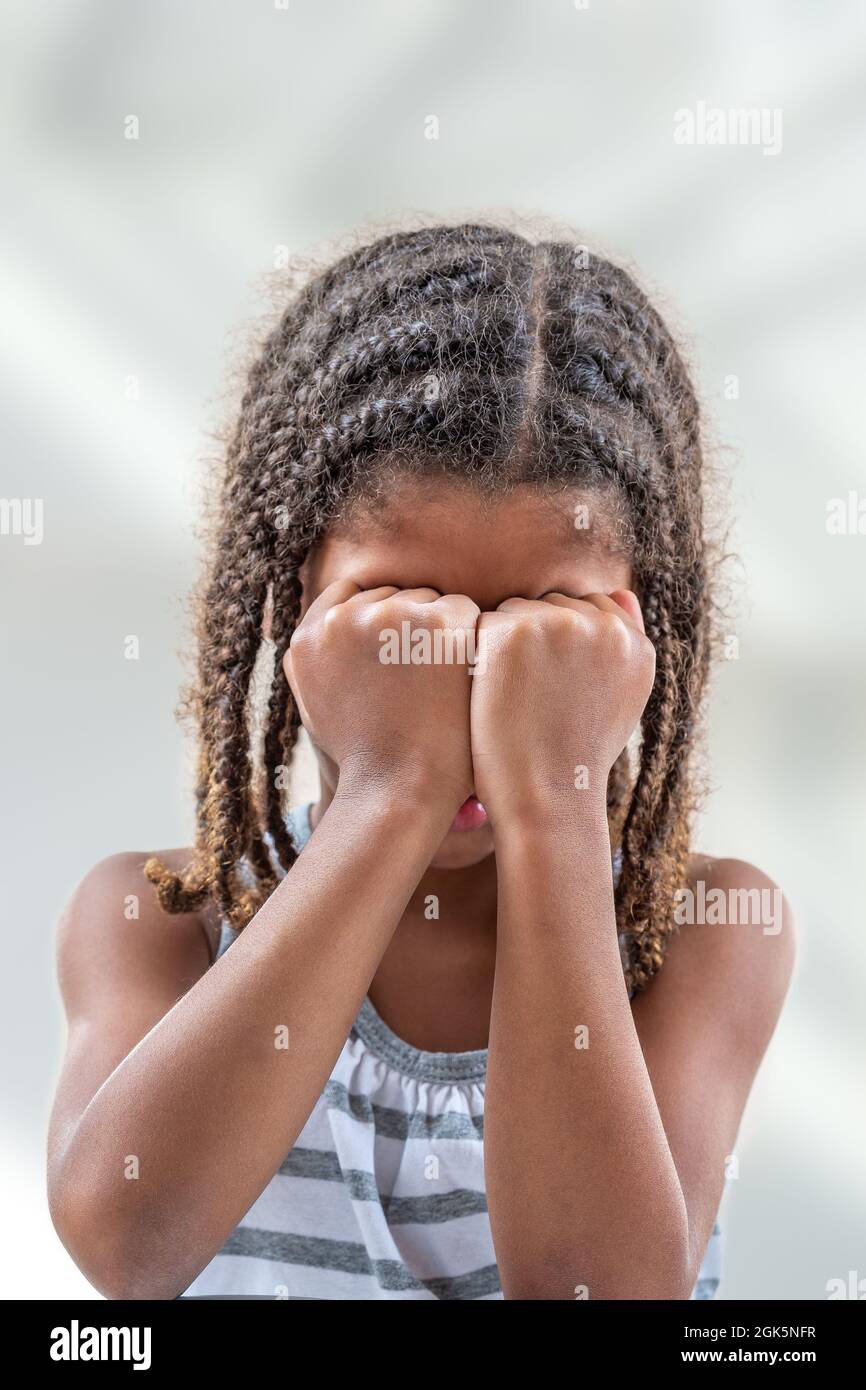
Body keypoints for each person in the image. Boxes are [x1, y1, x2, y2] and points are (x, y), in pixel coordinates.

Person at [47, 220, 795, 1300]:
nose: (475, 674)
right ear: (294, 602)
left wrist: (552, 798)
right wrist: (395, 793)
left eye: (546, 621)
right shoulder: (157, 921)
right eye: (400, 612)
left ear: (634, 639)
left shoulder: (704, 934)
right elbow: (127, 1245)